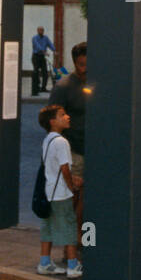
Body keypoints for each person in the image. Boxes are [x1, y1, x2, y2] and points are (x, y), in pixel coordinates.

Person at [36, 104, 83, 278]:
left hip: (49, 191)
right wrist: (72, 186)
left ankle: (45, 262)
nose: (67, 117)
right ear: (52, 121)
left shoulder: (48, 139)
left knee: (47, 227)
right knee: (69, 226)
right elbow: (64, 169)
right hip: (61, 193)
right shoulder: (62, 142)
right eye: (62, 115)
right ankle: (72, 265)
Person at [49, 42, 88, 232]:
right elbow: (52, 124)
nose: (85, 69)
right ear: (74, 63)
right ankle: (69, 247)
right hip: (73, 151)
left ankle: (81, 241)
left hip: (93, 150)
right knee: (72, 199)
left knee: (85, 202)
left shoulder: (95, 83)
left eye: (89, 64)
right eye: (81, 64)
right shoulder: (64, 87)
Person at [30, 26, 54, 94]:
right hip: (36, 57)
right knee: (36, 72)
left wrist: (54, 50)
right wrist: (44, 51)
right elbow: (37, 46)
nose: (42, 31)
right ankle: (36, 87)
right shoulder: (34, 38)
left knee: (45, 73)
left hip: (42, 57)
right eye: (40, 30)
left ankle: (43, 88)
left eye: (42, 30)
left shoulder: (45, 38)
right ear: (37, 31)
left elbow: (50, 44)